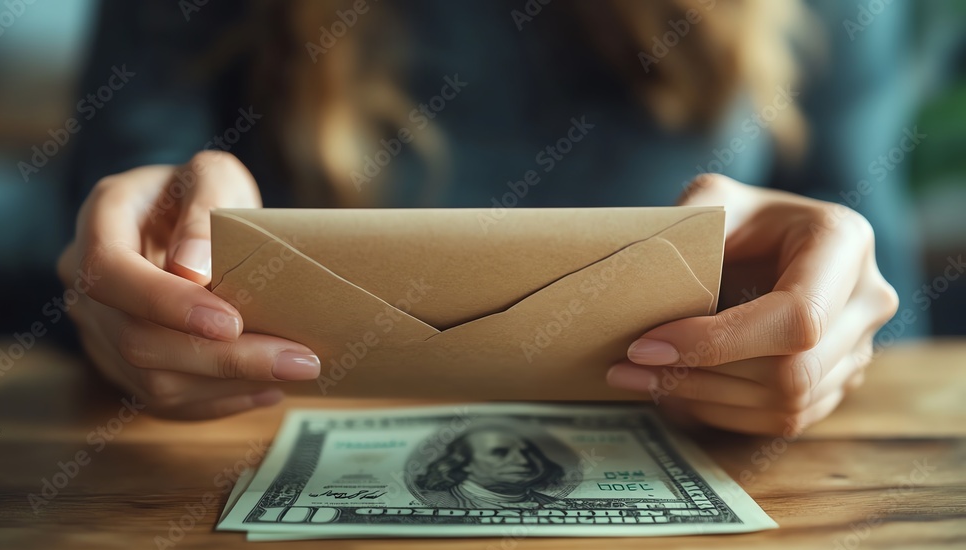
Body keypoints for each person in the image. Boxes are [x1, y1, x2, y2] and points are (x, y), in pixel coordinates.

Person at [57, 1, 916, 433]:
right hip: (237, 456)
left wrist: (826, 324)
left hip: (700, 455)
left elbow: (884, 304)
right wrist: (136, 280)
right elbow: (100, 263)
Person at [415, 428, 566, 509]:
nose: (523, 461)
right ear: (465, 463)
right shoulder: (436, 503)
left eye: (526, 452)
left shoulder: (555, 504)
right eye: (500, 453)